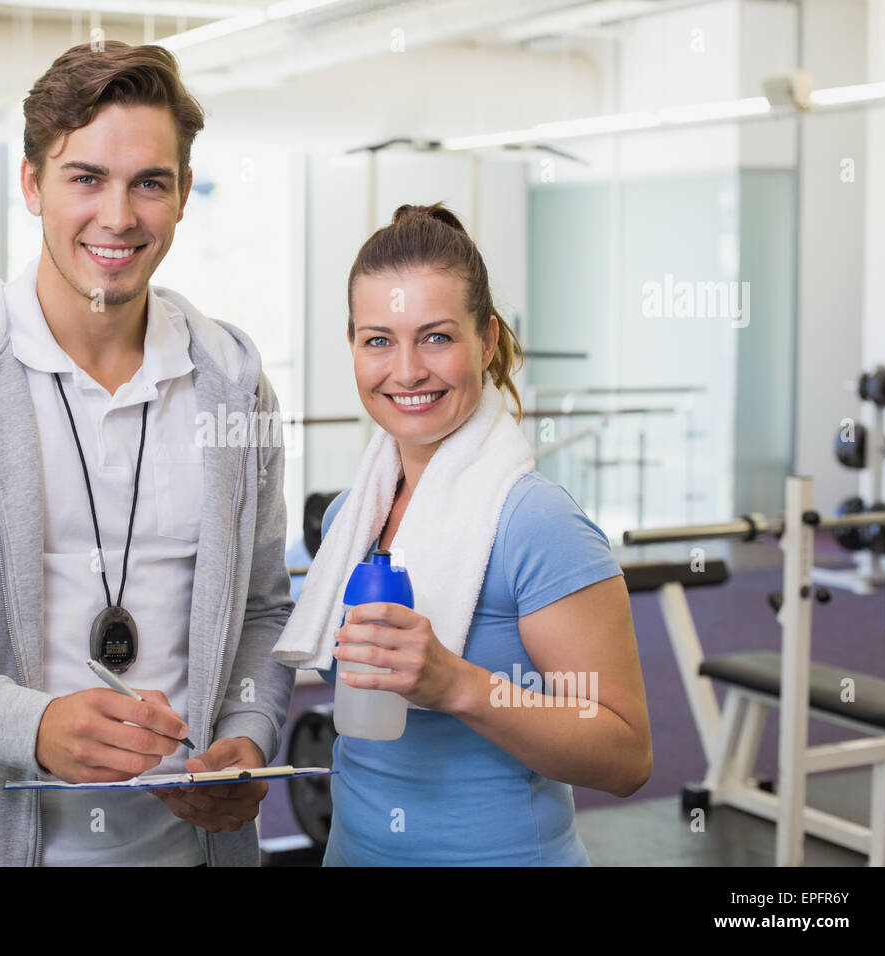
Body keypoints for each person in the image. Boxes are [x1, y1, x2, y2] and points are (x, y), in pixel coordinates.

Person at [0, 41, 295, 867]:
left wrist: (247, 737)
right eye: (86, 178)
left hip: (197, 851)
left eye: (151, 182)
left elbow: (261, 610)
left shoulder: (235, 386)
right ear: (32, 184)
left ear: (182, 197)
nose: (118, 216)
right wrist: (28, 725)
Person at [274, 202, 651, 865]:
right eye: (379, 339)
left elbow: (626, 757)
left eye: (437, 337)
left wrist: (460, 686)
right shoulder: (347, 521)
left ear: (489, 341)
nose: (408, 370)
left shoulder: (536, 521)